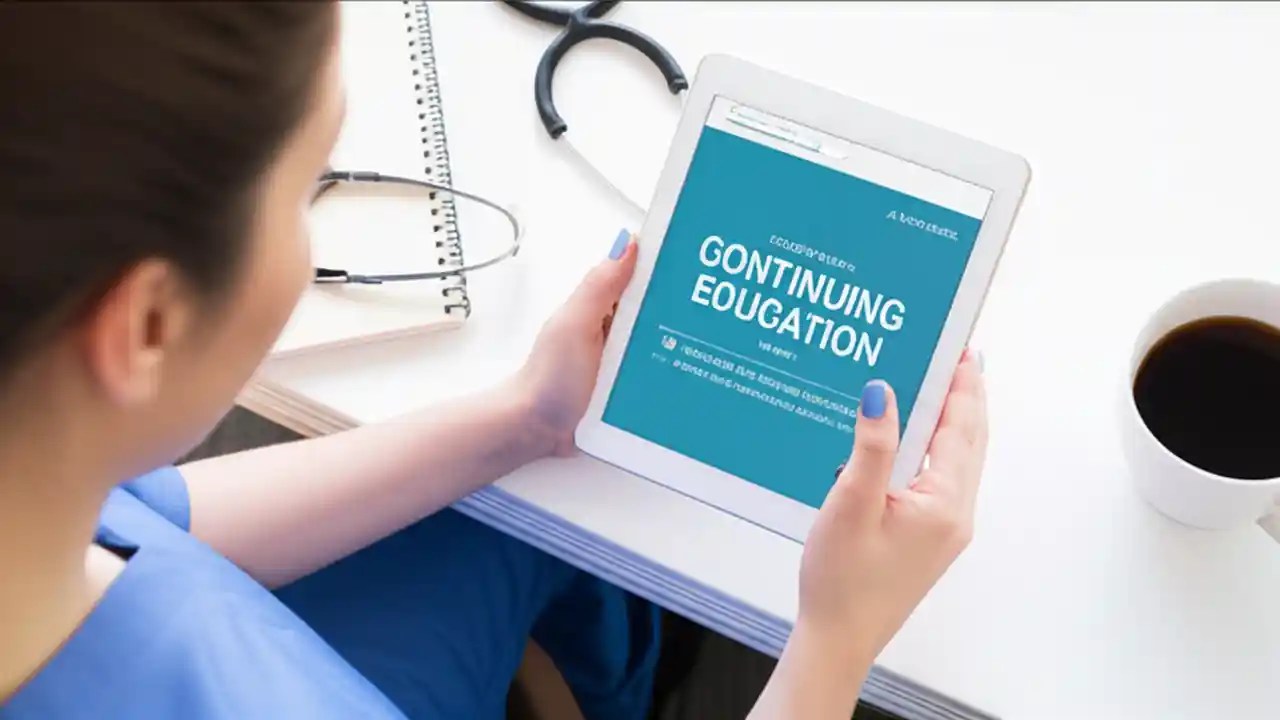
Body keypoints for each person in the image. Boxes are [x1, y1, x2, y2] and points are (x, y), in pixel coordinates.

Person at [0, 4, 988, 719]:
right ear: (145, 328)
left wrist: (524, 418)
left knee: (505, 526)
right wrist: (833, 644)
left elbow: (144, 526)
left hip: (199, 611)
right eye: (307, 189)